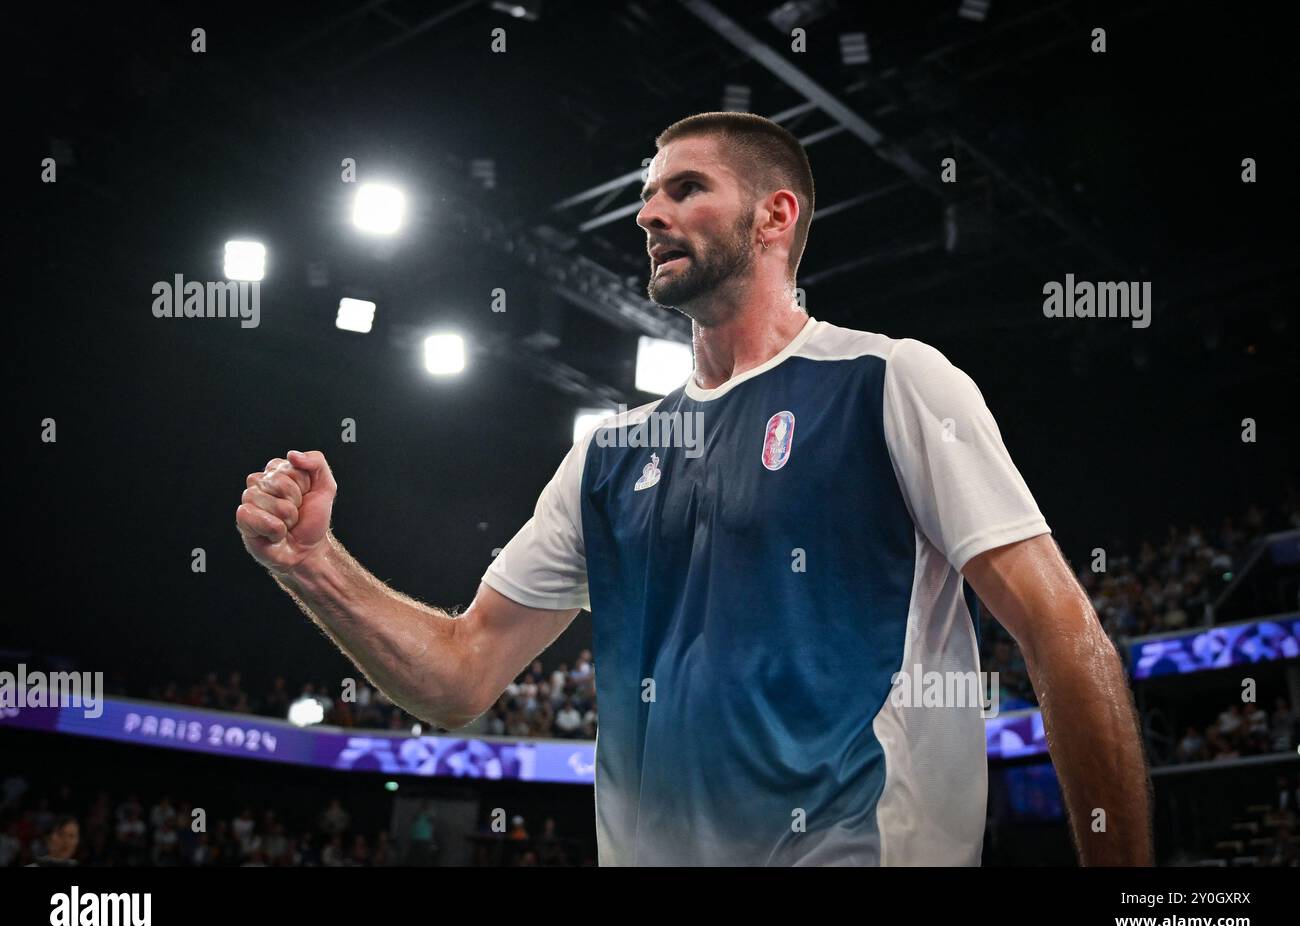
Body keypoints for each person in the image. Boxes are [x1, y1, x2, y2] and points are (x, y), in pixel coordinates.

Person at [235, 111, 1151, 866]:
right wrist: (314, 566)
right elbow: (459, 678)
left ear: (774, 216)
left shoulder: (891, 381)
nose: (648, 214)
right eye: (645, 195)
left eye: (685, 189)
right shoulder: (609, 454)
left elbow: (1063, 634)